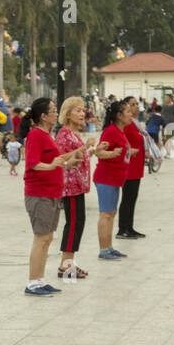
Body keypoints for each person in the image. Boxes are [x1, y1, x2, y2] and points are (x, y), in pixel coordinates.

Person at [21, 98, 87, 296]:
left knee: (47, 237)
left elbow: (55, 160)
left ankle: (40, 279)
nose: (55, 113)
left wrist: (69, 162)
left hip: (51, 192)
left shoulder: (47, 135)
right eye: (52, 111)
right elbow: (32, 163)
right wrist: (51, 166)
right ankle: (33, 283)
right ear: (43, 116)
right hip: (39, 193)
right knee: (41, 238)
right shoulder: (35, 135)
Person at [55, 96, 116, 281]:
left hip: (79, 186)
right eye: (78, 110)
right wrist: (87, 146)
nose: (82, 114)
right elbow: (63, 158)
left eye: (83, 110)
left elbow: (80, 155)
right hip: (70, 186)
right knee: (73, 224)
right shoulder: (64, 134)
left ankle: (68, 265)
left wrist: (94, 150)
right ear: (67, 113)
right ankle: (66, 267)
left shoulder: (73, 133)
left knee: (77, 223)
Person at [94, 99, 133, 259]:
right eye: (128, 112)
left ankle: (109, 247)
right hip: (106, 178)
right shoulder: (110, 131)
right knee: (106, 214)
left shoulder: (120, 131)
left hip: (115, 179)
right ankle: (103, 250)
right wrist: (111, 154)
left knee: (111, 213)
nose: (132, 114)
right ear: (118, 115)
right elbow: (98, 151)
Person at [116, 98, 147, 240]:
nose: (135, 108)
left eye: (136, 105)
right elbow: (123, 142)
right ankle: (123, 229)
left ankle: (129, 227)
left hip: (137, 165)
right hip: (130, 167)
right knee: (128, 198)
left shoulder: (135, 123)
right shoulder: (126, 125)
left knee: (133, 198)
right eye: (131, 106)